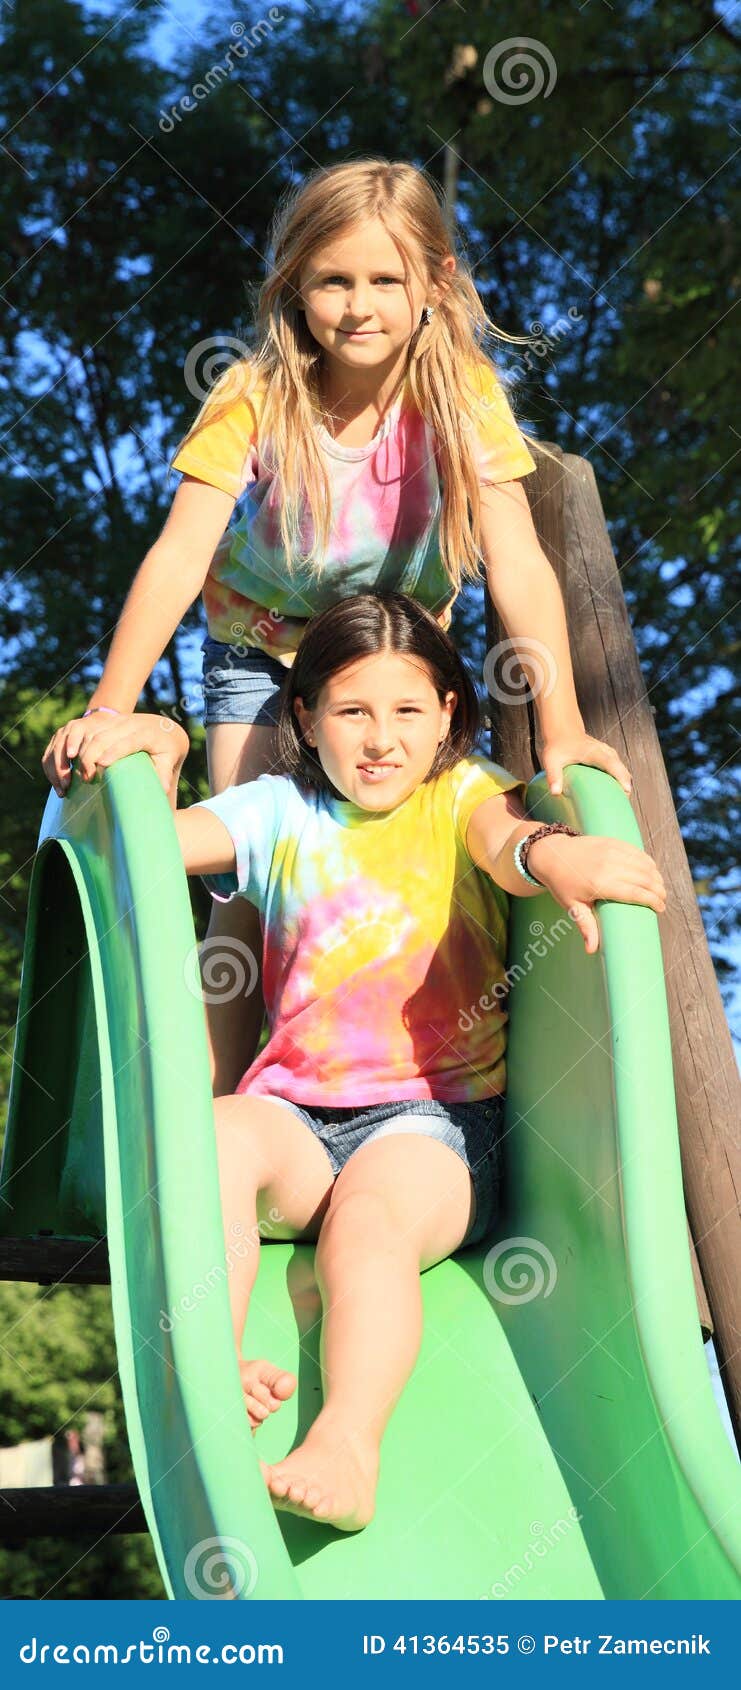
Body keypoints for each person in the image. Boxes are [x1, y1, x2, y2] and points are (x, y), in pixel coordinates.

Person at [68, 592, 665, 1534]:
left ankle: (348, 1442)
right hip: (298, 1126)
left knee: (371, 1227)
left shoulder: (465, 796)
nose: (380, 739)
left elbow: (505, 846)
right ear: (304, 719)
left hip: (433, 1133)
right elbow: (144, 852)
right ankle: (212, 1372)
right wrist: (157, 752)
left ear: (448, 721)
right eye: (351, 711)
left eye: (406, 712)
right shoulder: (277, 812)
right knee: (212, 1135)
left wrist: (553, 854)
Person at [41, 157, 632, 1102]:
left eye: (385, 279)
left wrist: (559, 726)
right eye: (333, 280)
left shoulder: (461, 396)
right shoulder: (255, 398)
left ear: (434, 282)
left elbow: (515, 560)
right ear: (296, 289)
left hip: (388, 672)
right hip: (263, 660)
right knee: (247, 883)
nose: (359, 305)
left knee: (404, 860)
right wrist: (114, 705)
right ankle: (215, 1120)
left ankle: (385, 1086)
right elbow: (181, 552)